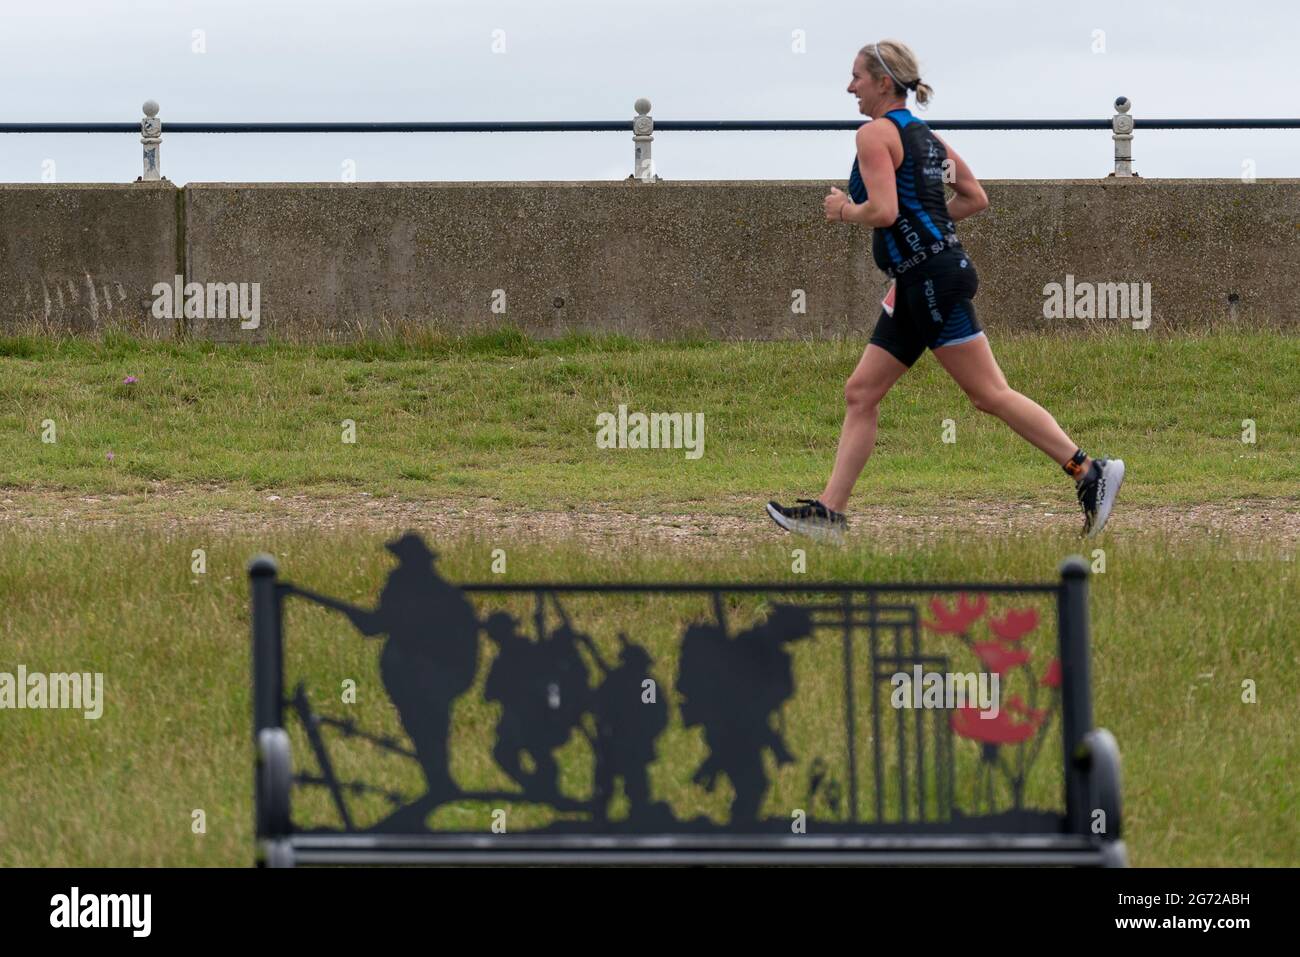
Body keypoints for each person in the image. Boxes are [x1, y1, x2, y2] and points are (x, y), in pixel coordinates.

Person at [767, 40, 1124, 540]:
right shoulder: (930, 142)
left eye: (857, 78)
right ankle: (830, 514)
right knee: (861, 392)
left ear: (884, 83)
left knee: (989, 394)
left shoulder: (873, 136)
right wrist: (926, 229)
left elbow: (884, 212)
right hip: (921, 278)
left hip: (929, 280)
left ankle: (1089, 471)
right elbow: (973, 198)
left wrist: (845, 210)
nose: (850, 87)